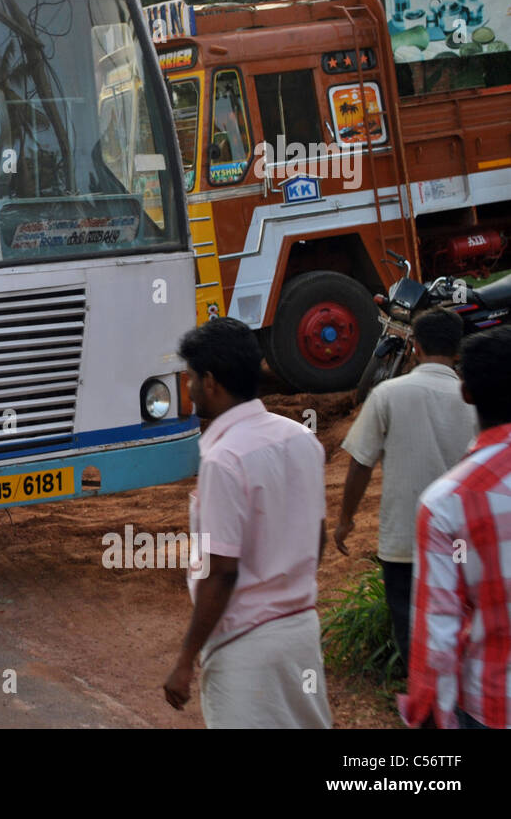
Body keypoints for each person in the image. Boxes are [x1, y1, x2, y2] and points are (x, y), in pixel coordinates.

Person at [163, 316, 332, 728]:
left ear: (211, 381)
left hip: (246, 647)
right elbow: (318, 535)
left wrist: (185, 660)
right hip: (302, 631)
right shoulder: (300, 438)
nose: (188, 390)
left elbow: (222, 573)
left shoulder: (224, 460)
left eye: (189, 380)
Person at [337, 308, 478, 671]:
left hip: (404, 542)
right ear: (458, 351)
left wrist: (346, 520)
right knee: (463, 631)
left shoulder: (387, 394)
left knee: (412, 637)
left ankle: (425, 705)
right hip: (461, 545)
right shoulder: (474, 401)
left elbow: (360, 463)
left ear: (414, 347)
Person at [403, 325, 511, 729]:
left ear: (466, 392)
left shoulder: (448, 502)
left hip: (493, 706)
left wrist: (432, 714)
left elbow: (439, 635)